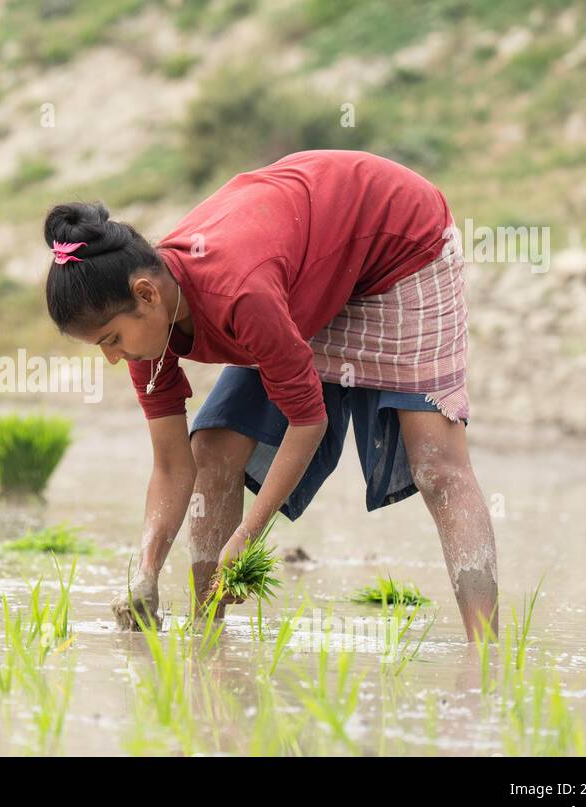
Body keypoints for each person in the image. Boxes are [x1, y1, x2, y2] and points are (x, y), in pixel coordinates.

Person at [41, 150, 498, 640]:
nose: (113, 358)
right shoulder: (146, 324)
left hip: (397, 242)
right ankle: (206, 638)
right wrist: (146, 570)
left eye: (111, 340)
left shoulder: (239, 294)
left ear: (148, 294)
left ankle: (487, 651)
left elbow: (308, 420)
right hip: (306, 265)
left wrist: (247, 535)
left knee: (437, 464)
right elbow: (173, 464)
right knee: (212, 449)